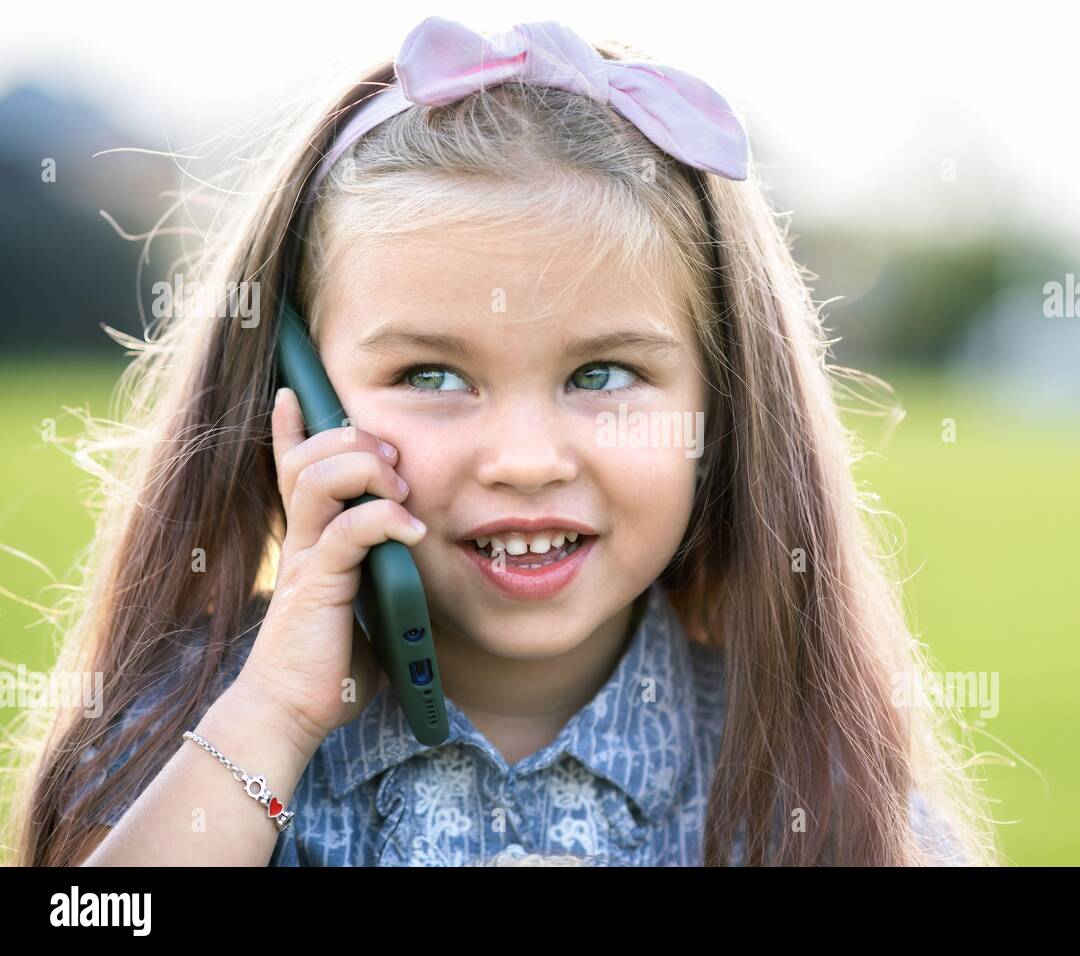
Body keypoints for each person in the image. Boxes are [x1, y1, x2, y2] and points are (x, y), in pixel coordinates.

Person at [14, 16, 995, 866]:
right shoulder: (194, 722)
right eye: (432, 376)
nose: (526, 458)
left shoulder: (809, 776)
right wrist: (269, 716)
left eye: (602, 374)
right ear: (299, 396)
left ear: (723, 410)